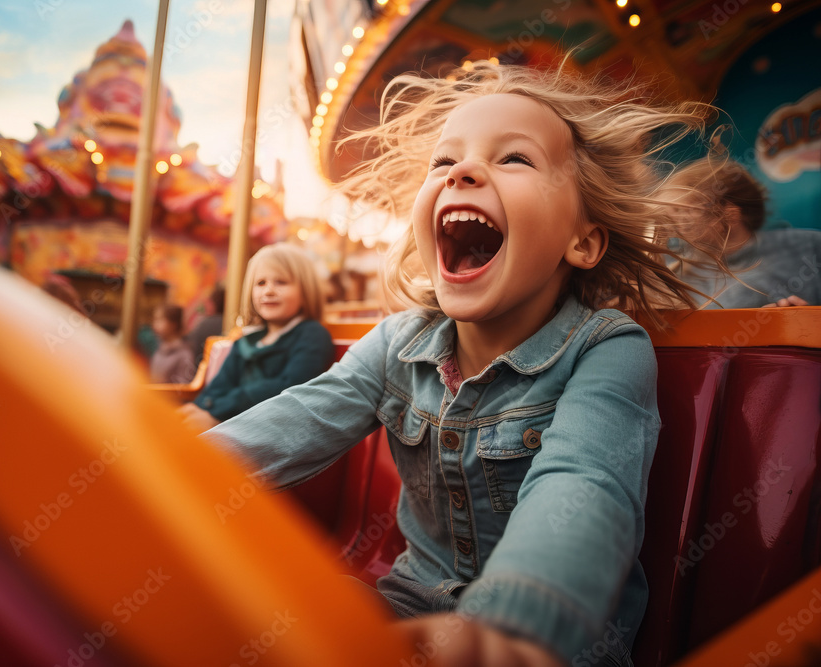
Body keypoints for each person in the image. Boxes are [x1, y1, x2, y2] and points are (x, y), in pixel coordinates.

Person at [202, 61, 734, 667]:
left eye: (514, 158)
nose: (461, 171)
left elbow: (584, 487)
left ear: (582, 241)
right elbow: (296, 420)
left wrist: (510, 625)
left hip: (550, 638)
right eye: (442, 161)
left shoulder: (608, 348)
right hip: (410, 605)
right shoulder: (399, 341)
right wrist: (171, 472)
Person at [178, 243, 334, 432]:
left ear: (306, 291)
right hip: (232, 423)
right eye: (260, 283)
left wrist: (215, 413)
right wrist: (200, 407)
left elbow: (289, 389)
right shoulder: (246, 340)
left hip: (273, 432)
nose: (268, 291)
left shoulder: (312, 335)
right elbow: (220, 384)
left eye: (281, 282)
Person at [666, 159, 821, 308]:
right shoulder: (678, 272)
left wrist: (801, 317)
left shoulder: (807, 247)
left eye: (684, 211)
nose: (675, 221)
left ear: (730, 215)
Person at [149, 303, 196, 384]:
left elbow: (183, 388)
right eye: (155, 320)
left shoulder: (185, 354)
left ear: (173, 324)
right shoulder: (160, 348)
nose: (155, 325)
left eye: (160, 320)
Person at [186, 283, 225, 360]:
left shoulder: (205, 323)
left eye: (208, 302)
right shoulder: (224, 321)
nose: (205, 305)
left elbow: (188, 339)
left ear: (214, 303)